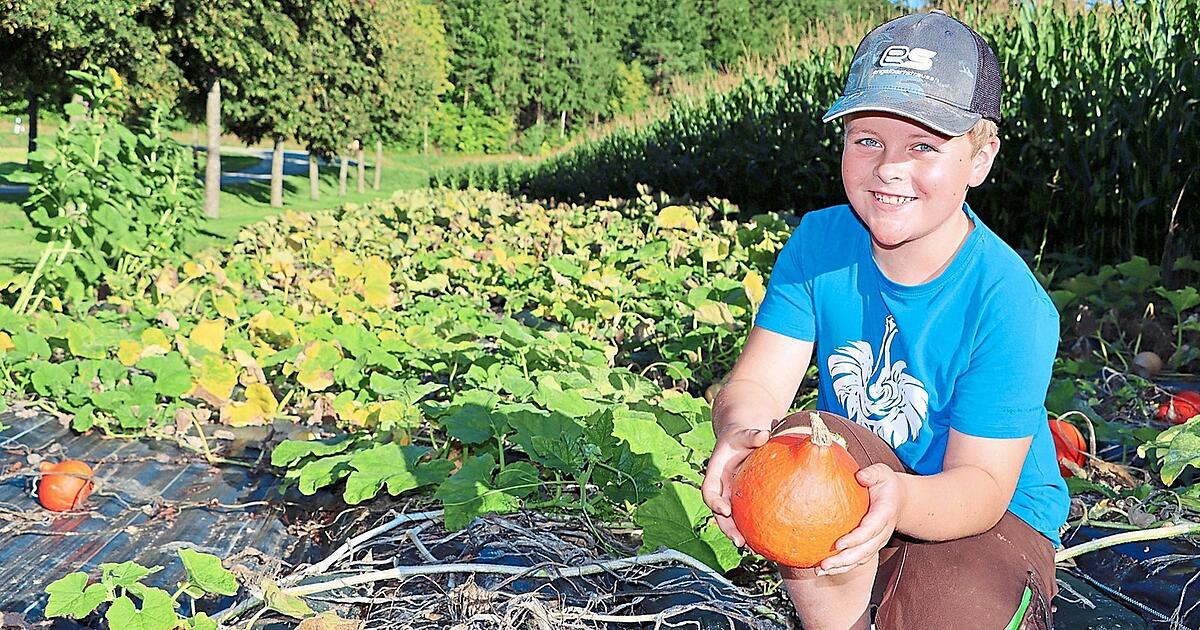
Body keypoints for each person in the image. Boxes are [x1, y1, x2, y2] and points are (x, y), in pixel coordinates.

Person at [700, 10, 1067, 630]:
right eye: (867, 139)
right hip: (865, 474)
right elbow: (758, 384)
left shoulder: (1011, 305)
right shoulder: (820, 242)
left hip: (987, 514)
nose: (888, 167)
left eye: (923, 145)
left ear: (980, 157)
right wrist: (740, 433)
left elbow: (978, 485)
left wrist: (897, 502)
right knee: (804, 453)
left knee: (953, 610)